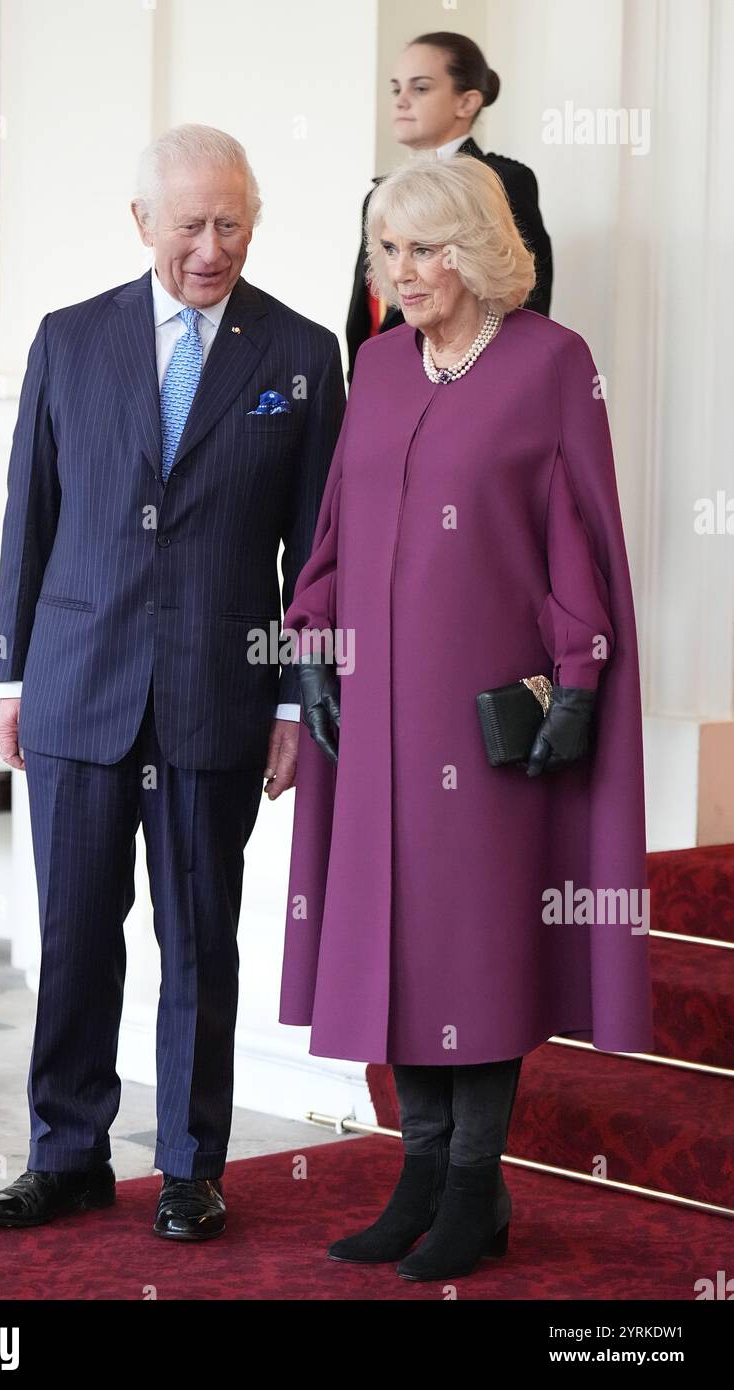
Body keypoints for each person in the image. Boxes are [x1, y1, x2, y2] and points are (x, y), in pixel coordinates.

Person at [280, 154, 653, 1282]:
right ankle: (426, 1175)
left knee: (473, 947)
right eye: (386, 250)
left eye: (426, 248)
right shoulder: (381, 365)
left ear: (480, 249)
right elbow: (338, 528)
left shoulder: (551, 363)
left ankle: (468, 1182)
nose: (403, 270)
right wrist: (313, 647)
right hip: (378, 712)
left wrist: (579, 679)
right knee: (395, 940)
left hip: (489, 716)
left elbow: (576, 532)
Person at [0, 124, 345, 1239]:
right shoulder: (68, 339)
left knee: (198, 941)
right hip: (78, 687)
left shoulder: (299, 352)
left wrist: (291, 698)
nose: (211, 246)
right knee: (76, 935)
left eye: (231, 222)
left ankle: (189, 1165)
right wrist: (9, 675)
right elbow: (27, 522)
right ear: (142, 222)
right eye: (189, 224)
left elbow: (315, 551)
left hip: (215, 698)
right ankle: (66, 1155)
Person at [346, 30, 553, 379]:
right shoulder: (379, 196)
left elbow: (526, 296)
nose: (401, 100)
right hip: (389, 377)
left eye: (421, 88)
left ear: (467, 102)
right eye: (396, 88)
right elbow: (369, 306)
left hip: (474, 379)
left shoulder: (502, 181)